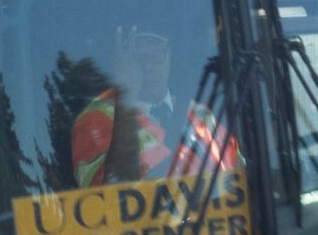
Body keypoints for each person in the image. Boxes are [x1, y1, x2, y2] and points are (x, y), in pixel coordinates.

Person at [70, 25, 234, 188]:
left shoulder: (202, 115)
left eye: (155, 57)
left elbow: (237, 173)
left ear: (169, 55)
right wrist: (127, 96)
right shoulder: (95, 119)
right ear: (122, 62)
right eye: (139, 59)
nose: (148, 67)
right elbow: (109, 196)